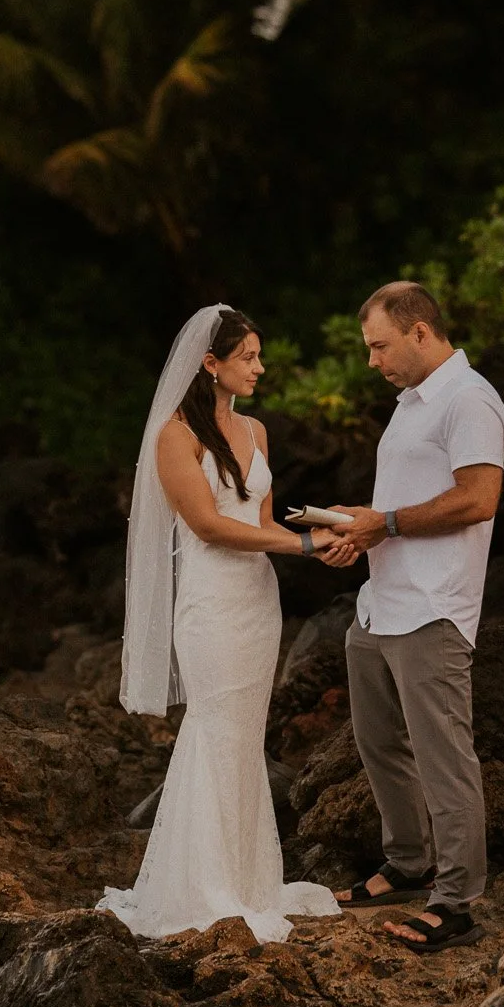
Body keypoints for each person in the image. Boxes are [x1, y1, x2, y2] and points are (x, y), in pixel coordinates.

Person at [98, 305, 348, 941]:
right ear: (211, 364)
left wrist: (323, 533)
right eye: (248, 358)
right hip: (210, 602)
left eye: (259, 357)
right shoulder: (175, 436)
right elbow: (208, 527)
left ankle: (249, 879)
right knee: (214, 728)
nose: (260, 368)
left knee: (245, 735)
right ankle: (205, 886)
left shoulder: (257, 432)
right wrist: (306, 549)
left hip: (257, 599)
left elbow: (260, 525)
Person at [321, 281, 504, 953]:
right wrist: (361, 530)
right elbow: (398, 507)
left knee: (444, 755)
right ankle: (407, 864)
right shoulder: (409, 405)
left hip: (434, 608)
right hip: (381, 606)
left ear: (420, 330)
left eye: (379, 345)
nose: (372, 360)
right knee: (377, 743)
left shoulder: (471, 399)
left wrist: (389, 522)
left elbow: (479, 498)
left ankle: (457, 901)